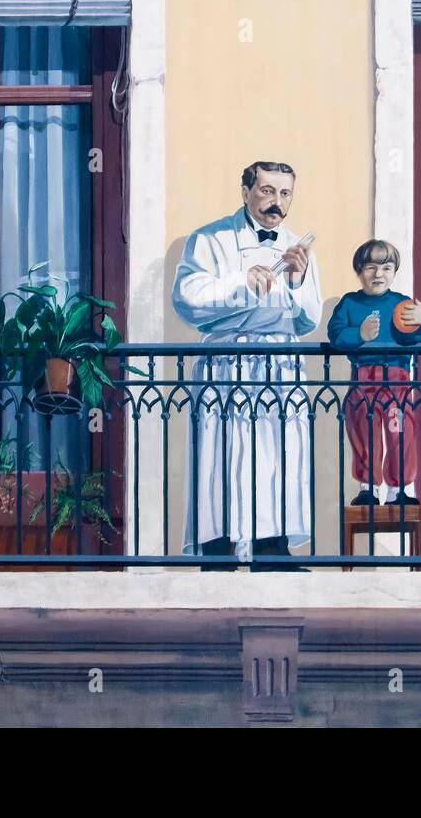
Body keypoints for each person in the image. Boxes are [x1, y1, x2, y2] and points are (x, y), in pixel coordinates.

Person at [171, 161, 322, 569]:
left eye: (285, 193)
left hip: (279, 364)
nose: (277, 202)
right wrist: (241, 282)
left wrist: (295, 282)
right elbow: (187, 298)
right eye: (268, 191)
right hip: (227, 362)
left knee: (279, 455)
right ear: (245, 191)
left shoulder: (296, 246)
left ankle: (273, 546)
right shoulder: (210, 239)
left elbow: (309, 319)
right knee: (224, 454)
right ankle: (219, 546)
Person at [327, 240, 421, 506]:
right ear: (359, 271)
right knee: (364, 432)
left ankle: (398, 490)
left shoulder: (402, 303)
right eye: (370, 267)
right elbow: (336, 334)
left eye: (386, 268)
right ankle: (369, 488)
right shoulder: (350, 303)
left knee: (401, 432)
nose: (378, 275)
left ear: (394, 272)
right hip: (362, 378)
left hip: (397, 379)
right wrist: (359, 334)